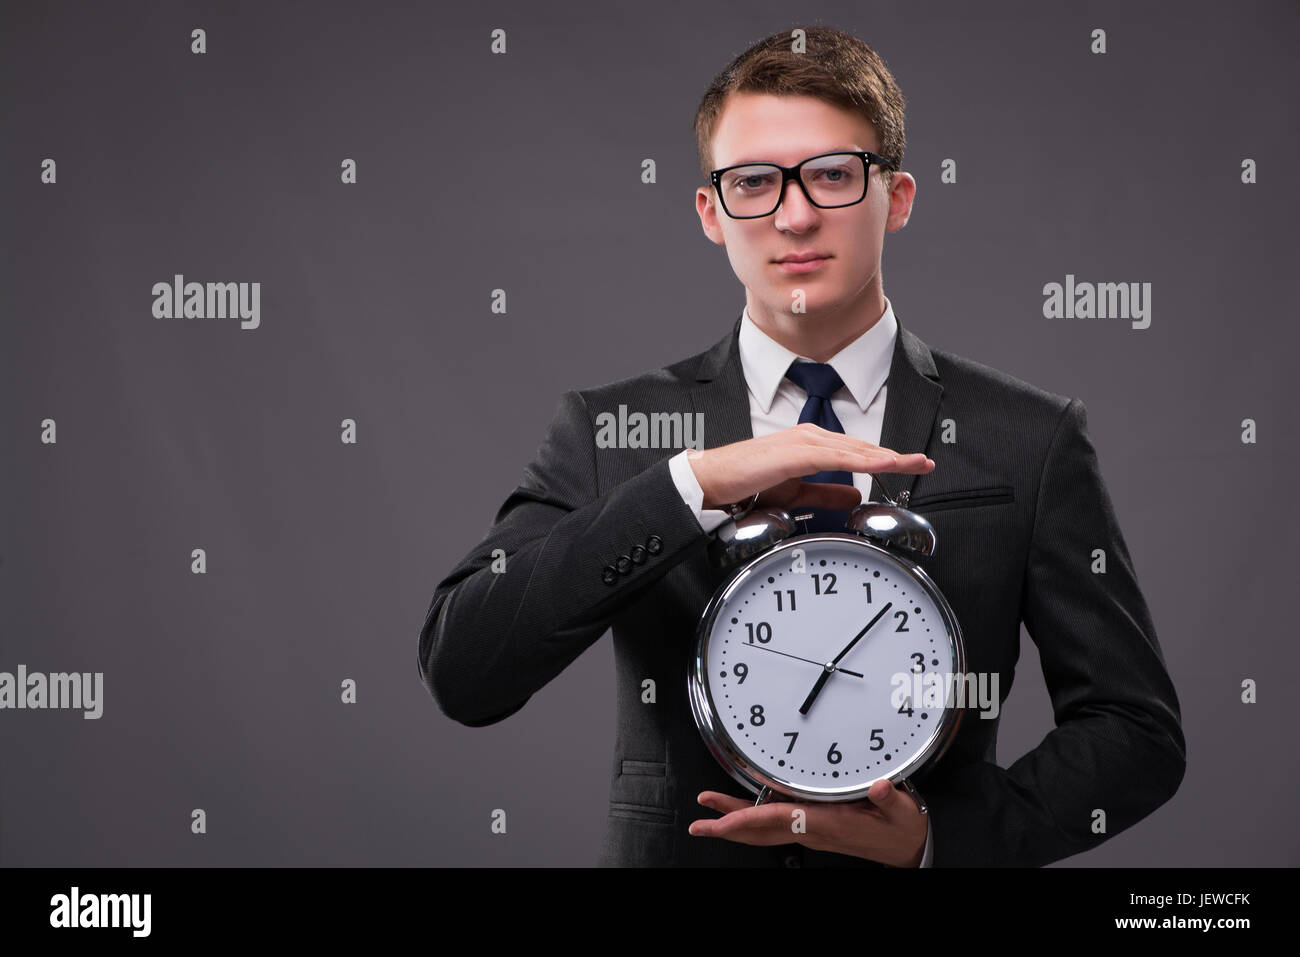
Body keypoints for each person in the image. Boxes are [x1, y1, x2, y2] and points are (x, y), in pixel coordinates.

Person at [416, 26, 1185, 867]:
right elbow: (464, 667)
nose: (794, 215)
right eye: (754, 182)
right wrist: (691, 486)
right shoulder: (613, 429)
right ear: (712, 214)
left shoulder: (1030, 437)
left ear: (897, 196)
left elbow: (1135, 729)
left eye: (832, 174)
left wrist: (938, 839)